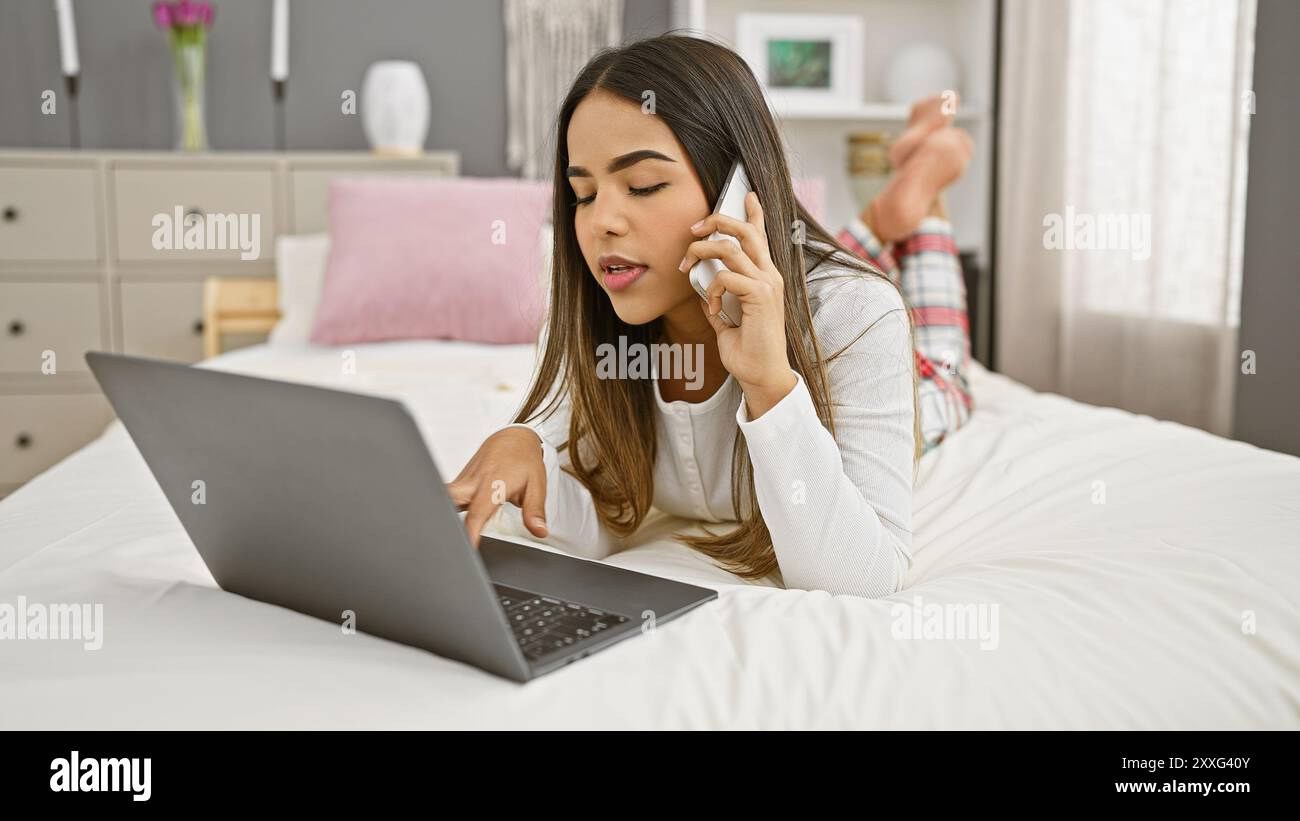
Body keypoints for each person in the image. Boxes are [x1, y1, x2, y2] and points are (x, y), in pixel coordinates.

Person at [450, 35, 973, 598]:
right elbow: (607, 515)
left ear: (737, 190)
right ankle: (893, 208)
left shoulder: (858, 313)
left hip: (918, 372)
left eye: (643, 185)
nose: (602, 221)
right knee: (805, 269)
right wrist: (529, 452)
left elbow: (863, 579)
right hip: (785, 270)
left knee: (947, 379)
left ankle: (920, 195)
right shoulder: (598, 321)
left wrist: (770, 386)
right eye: (583, 193)